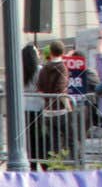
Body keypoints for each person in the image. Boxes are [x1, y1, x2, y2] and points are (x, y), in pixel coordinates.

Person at [30, 39, 72, 170]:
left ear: (51, 52)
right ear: (63, 52)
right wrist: (68, 106)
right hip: (60, 110)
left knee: (53, 141)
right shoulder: (62, 68)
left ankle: (55, 165)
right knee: (71, 138)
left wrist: (47, 100)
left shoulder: (44, 68)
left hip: (47, 111)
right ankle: (71, 165)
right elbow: (61, 90)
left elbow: (40, 88)